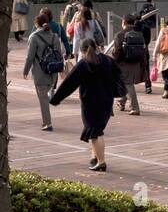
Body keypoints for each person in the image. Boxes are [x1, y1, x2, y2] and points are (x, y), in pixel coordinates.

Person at [50, 37, 124, 171]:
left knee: (95, 132)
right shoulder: (107, 60)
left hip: (90, 103)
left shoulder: (83, 64)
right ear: (96, 47)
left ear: (82, 51)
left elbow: (69, 83)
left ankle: (101, 162)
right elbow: (119, 76)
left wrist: (56, 99)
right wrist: (118, 93)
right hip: (106, 101)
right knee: (96, 130)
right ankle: (95, 157)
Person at [22, 11, 63, 130]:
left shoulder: (34, 37)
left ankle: (47, 123)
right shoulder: (55, 36)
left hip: (40, 73)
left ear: (36, 24)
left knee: (43, 99)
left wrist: (25, 70)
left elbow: (30, 57)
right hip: (53, 72)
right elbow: (59, 54)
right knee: (46, 96)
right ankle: (47, 121)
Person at [110, 13, 149, 116]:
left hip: (123, 64)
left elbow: (116, 52)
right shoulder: (139, 33)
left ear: (123, 22)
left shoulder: (119, 34)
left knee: (127, 84)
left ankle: (135, 107)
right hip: (136, 63)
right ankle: (121, 102)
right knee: (126, 84)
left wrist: (114, 60)